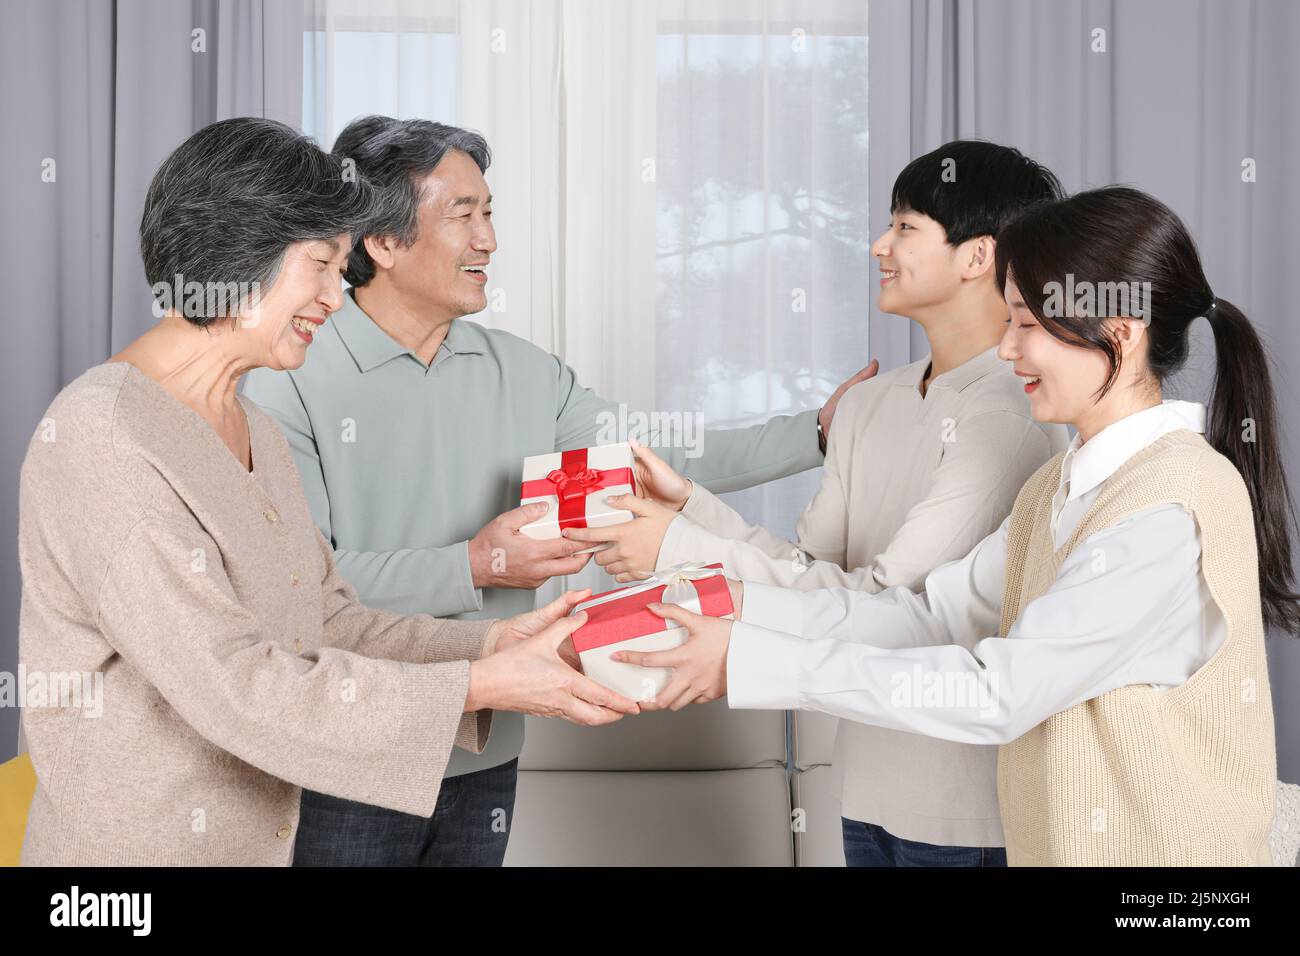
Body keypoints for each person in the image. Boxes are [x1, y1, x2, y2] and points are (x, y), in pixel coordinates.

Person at [242, 116, 872, 867]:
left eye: (490, 213)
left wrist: (816, 434)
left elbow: (653, 453)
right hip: (349, 751)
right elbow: (301, 589)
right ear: (383, 243)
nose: (489, 240)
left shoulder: (526, 371)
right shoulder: (291, 378)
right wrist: (476, 564)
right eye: (463, 215)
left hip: (487, 744)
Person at [17, 118, 637, 867]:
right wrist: (479, 682)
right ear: (239, 254)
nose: (335, 298)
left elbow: (327, 620)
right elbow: (234, 687)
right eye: (319, 265)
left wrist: (496, 642)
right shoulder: (104, 439)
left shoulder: (252, 427)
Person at [613, 185, 1296, 865]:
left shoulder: (1167, 507)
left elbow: (999, 691)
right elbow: (926, 617)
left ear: (1118, 334)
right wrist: (737, 618)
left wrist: (746, 658)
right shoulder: (1055, 490)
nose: (1005, 349)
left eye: (1027, 324)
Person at [570, 141, 1068, 865]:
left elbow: (895, 606)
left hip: (964, 808)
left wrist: (677, 544)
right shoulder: (866, 403)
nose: (878, 245)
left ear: (976, 256)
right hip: (862, 782)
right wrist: (692, 510)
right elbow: (810, 572)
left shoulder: (1009, 416)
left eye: (905, 227)